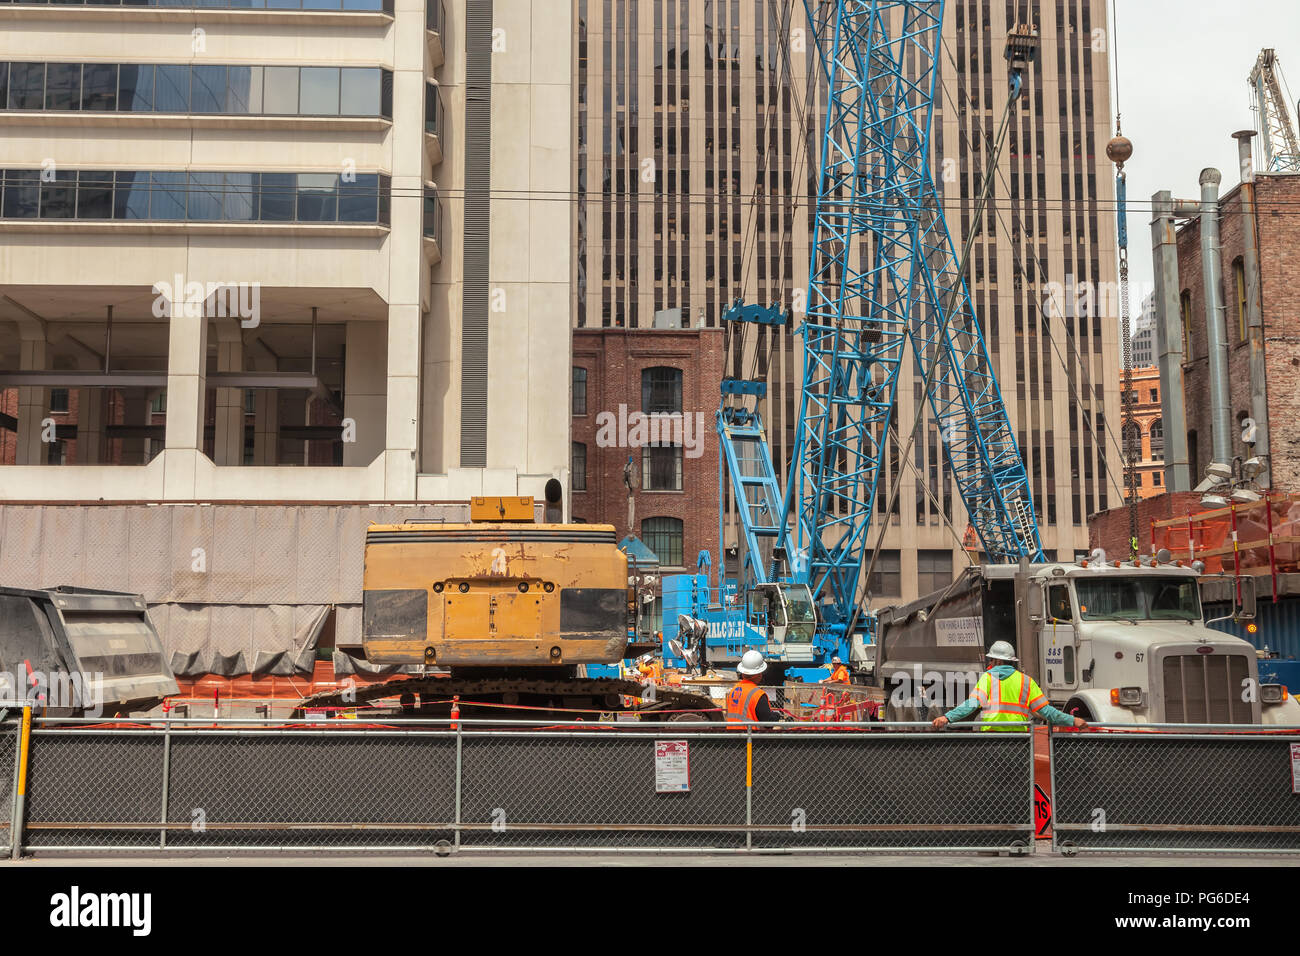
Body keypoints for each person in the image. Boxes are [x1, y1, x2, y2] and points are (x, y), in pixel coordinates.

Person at [931, 640, 1086, 731]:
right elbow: (1047, 712)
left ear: (997, 661)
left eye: (991, 660)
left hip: (992, 742)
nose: (989, 663)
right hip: (1020, 742)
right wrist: (1073, 720)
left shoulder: (988, 678)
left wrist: (947, 717)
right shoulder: (1026, 681)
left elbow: (971, 705)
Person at [724, 650, 780, 724]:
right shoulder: (757, 694)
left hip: (732, 734)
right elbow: (768, 723)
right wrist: (777, 715)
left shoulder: (733, 691)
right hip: (750, 734)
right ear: (759, 674)